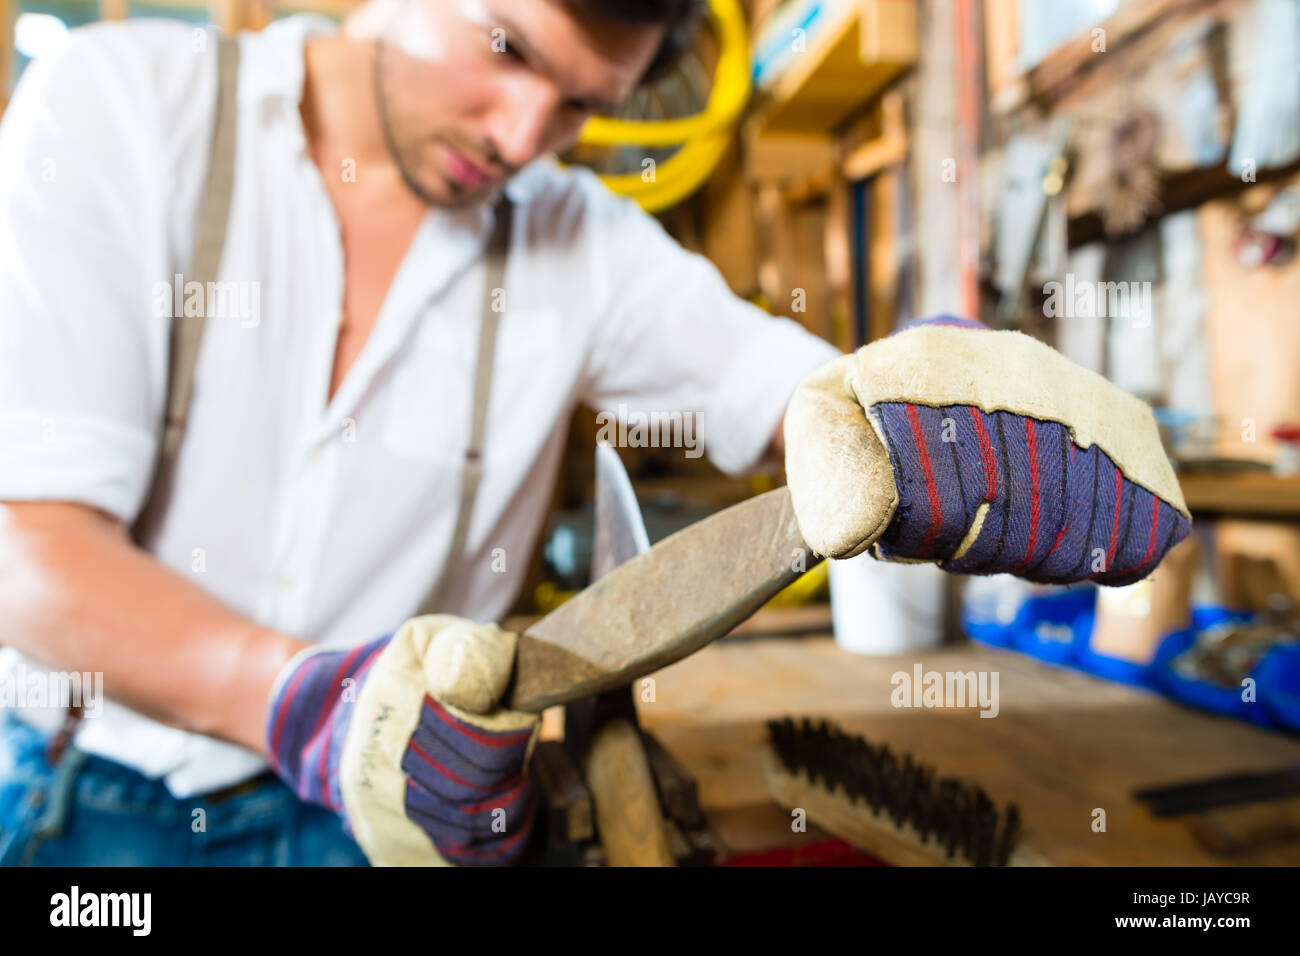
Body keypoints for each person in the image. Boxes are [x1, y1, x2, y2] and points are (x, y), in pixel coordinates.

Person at [0, 0, 1189, 866]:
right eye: (506, 46)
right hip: (102, 809)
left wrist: (903, 409)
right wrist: (299, 700)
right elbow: (27, 540)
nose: (523, 132)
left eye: (580, 100)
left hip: (409, 825)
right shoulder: (122, 108)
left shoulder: (574, 239)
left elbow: (770, 377)